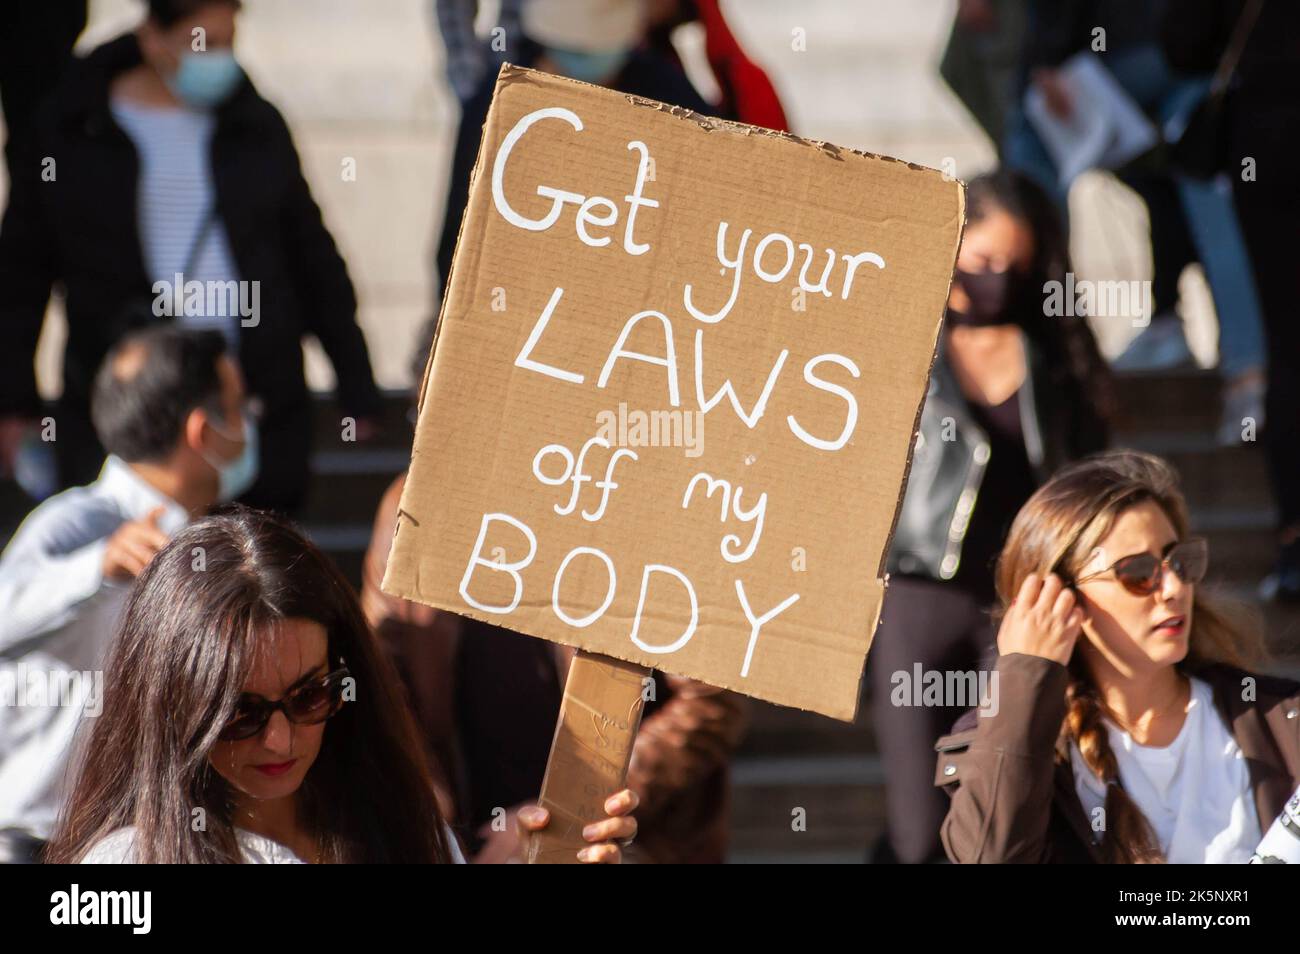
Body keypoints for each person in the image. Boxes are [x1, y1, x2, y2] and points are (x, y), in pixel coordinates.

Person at [45, 507, 637, 863]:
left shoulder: (408, 830)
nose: (280, 740)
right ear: (172, 705)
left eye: (309, 696)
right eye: (240, 714)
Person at [358, 326, 747, 863]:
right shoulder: (410, 512)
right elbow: (383, 691)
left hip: (626, 839)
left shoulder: (631, 501)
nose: (448, 449)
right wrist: (444, 834)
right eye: (429, 423)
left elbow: (711, 699)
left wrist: (562, 817)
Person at [0, 0, 381, 512]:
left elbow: (313, 259)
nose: (219, 58)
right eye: (205, 42)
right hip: (130, 411)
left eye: (228, 41)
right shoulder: (71, 127)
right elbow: (20, 276)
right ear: (154, 37)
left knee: (246, 574)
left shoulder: (254, 124)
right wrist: (14, 402)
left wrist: (356, 382)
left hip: (248, 404)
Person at [870, 170, 1112, 863]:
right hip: (917, 601)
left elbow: (1086, 481)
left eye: (1015, 265)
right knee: (918, 823)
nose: (997, 280)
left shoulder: (1057, 356)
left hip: (1021, 604)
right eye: (981, 262)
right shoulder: (905, 342)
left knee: (1005, 797)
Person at [936, 450, 1300, 863]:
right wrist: (1026, 672)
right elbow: (990, 856)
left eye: (1181, 562)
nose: (1173, 588)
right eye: (1139, 573)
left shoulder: (1280, 721)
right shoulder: (1018, 742)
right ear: (1059, 598)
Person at [0, 326, 251, 862]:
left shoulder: (212, 539)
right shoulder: (78, 522)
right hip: (39, 844)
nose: (250, 429)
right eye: (239, 408)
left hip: (144, 842)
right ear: (202, 431)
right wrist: (97, 566)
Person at [435, 0, 713, 303]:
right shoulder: (499, 102)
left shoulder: (667, 94)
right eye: (575, 51)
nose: (584, 63)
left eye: (592, 51)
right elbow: (458, 241)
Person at [1163, 0, 1300, 603]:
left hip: (1271, 143)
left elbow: (1184, 42)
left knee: (1290, 346)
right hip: (1270, 146)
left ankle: (1295, 545)